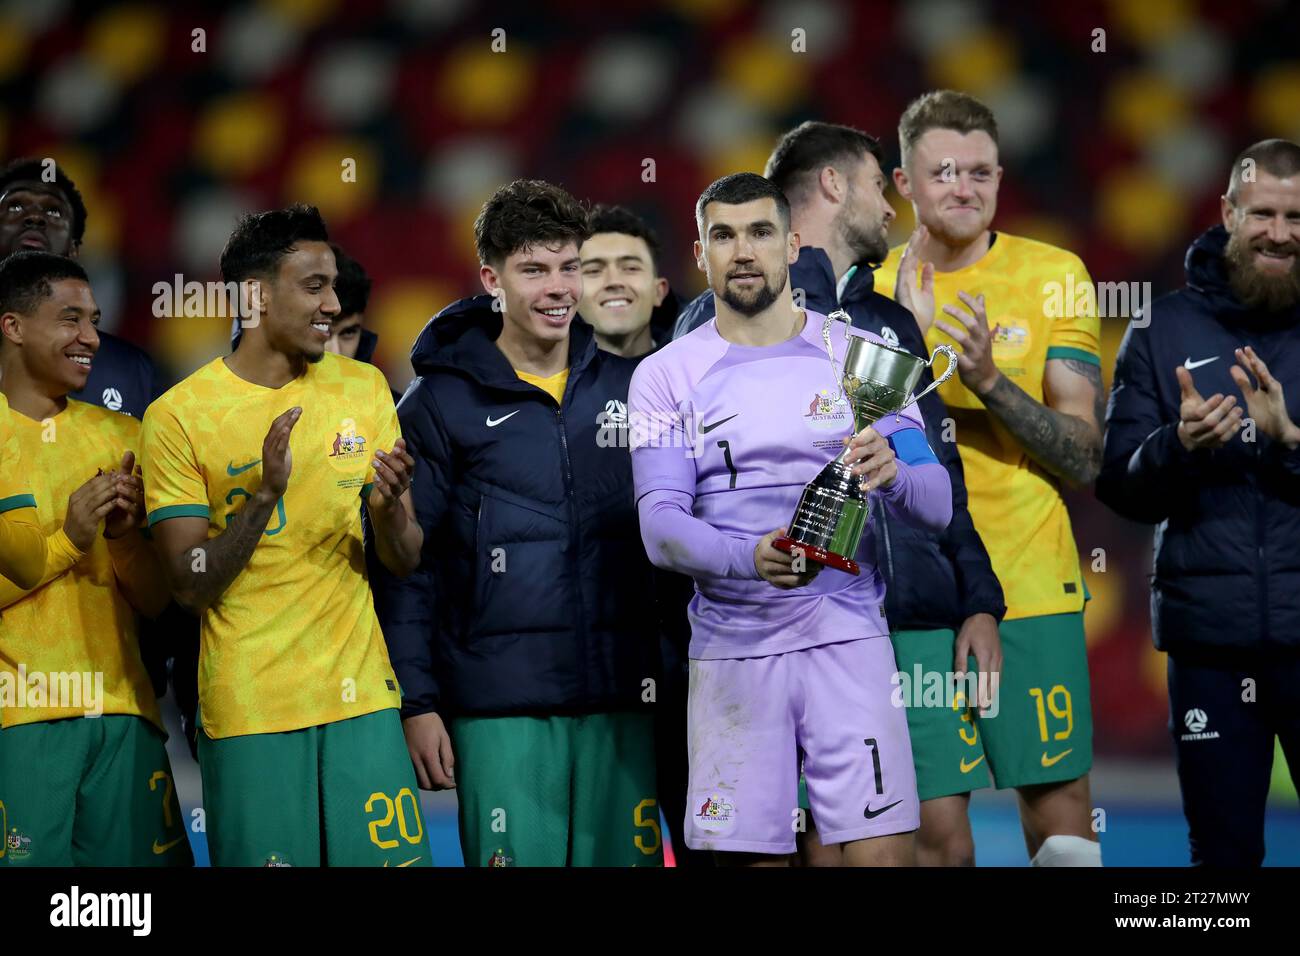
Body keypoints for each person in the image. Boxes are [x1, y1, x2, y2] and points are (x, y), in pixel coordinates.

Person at [674, 122, 1005, 866]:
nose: (895, 205)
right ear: (831, 185)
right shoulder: (711, 326)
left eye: (762, 232)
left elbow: (935, 471)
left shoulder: (884, 329)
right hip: (763, 632)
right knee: (796, 844)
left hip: (900, 616)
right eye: (876, 182)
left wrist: (977, 596)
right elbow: (676, 504)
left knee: (933, 840)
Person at [374, 180, 662, 867]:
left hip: (626, 703)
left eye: (572, 267)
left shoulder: (639, 381)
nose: (558, 288)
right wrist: (417, 704)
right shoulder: (439, 401)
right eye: (534, 270)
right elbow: (412, 574)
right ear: (491, 279)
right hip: (498, 712)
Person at [140, 204, 428, 867]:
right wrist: (263, 496)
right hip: (251, 712)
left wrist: (389, 513)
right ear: (255, 295)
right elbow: (188, 585)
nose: (333, 303)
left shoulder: (363, 388)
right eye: (314, 285)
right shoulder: (179, 417)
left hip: (362, 704)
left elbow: (406, 557)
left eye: (333, 285)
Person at [873, 90, 1104, 867]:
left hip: (1032, 584)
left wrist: (990, 381)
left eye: (980, 172)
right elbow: (851, 446)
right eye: (943, 172)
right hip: (918, 596)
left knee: (1063, 822)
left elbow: (1082, 455)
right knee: (937, 833)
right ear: (903, 184)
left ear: (1001, 177)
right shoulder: (865, 292)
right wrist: (906, 335)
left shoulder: (1054, 275)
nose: (964, 188)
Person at [1097, 139, 1300, 866]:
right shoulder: (1162, 330)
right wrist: (1177, 446)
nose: (1280, 231)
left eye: (1295, 215)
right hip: (1210, 647)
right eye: (1264, 213)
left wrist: (1289, 442)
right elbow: (1118, 484)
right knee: (1222, 857)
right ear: (1229, 214)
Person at [0, 251, 189, 866]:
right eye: (70, 319)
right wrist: (70, 540)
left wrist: (124, 539)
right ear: (13, 327)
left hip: (124, 713)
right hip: (20, 722)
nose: (90, 338)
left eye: (95, 321)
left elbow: (156, 600)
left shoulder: (123, 436)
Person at [0, 158, 159, 418]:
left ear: (74, 249)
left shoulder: (129, 373)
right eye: (16, 206)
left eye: (53, 212)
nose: (35, 218)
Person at [579, 204, 676, 357]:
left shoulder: (698, 374)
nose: (614, 281)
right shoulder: (546, 378)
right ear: (572, 295)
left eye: (630, 268)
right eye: (594, 271)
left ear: (658, 291)